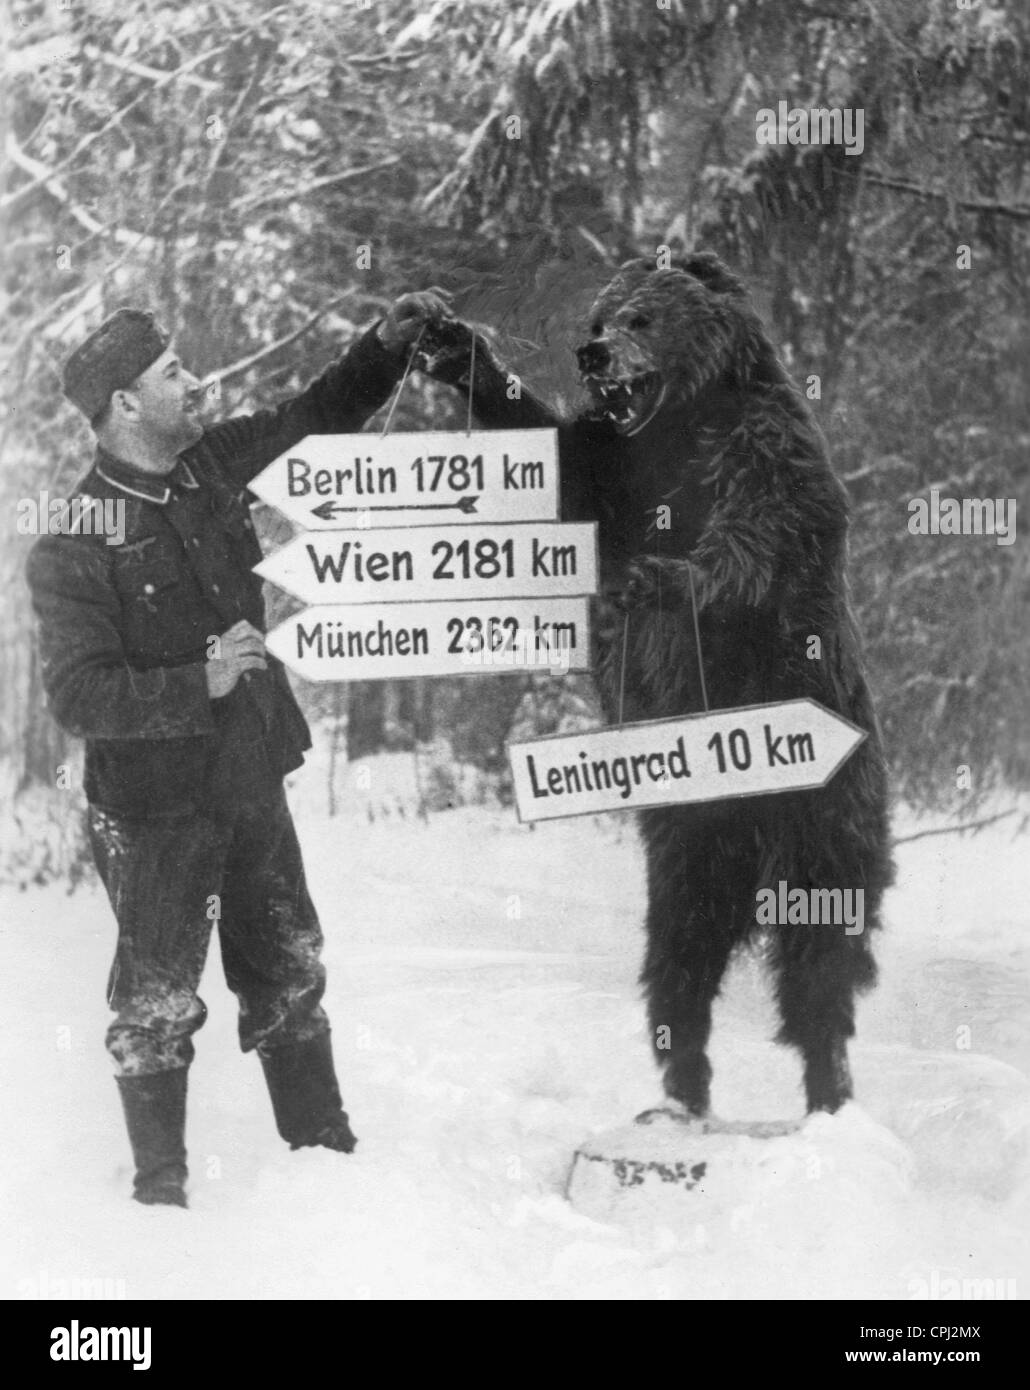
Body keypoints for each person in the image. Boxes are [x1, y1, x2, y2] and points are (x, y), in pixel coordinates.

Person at [26, 291, 452, 1208]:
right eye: (171, 374)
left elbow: (310, 419)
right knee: (155, 1003)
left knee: (289, 968)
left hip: (249, 772)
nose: (194, 381)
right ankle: (162, 1197)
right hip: (151, 808)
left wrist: (384, 348)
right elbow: (76, 693)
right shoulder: (73, 539)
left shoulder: (212, 464)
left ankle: (326, 1163)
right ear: (125, 407)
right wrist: (199, 679)